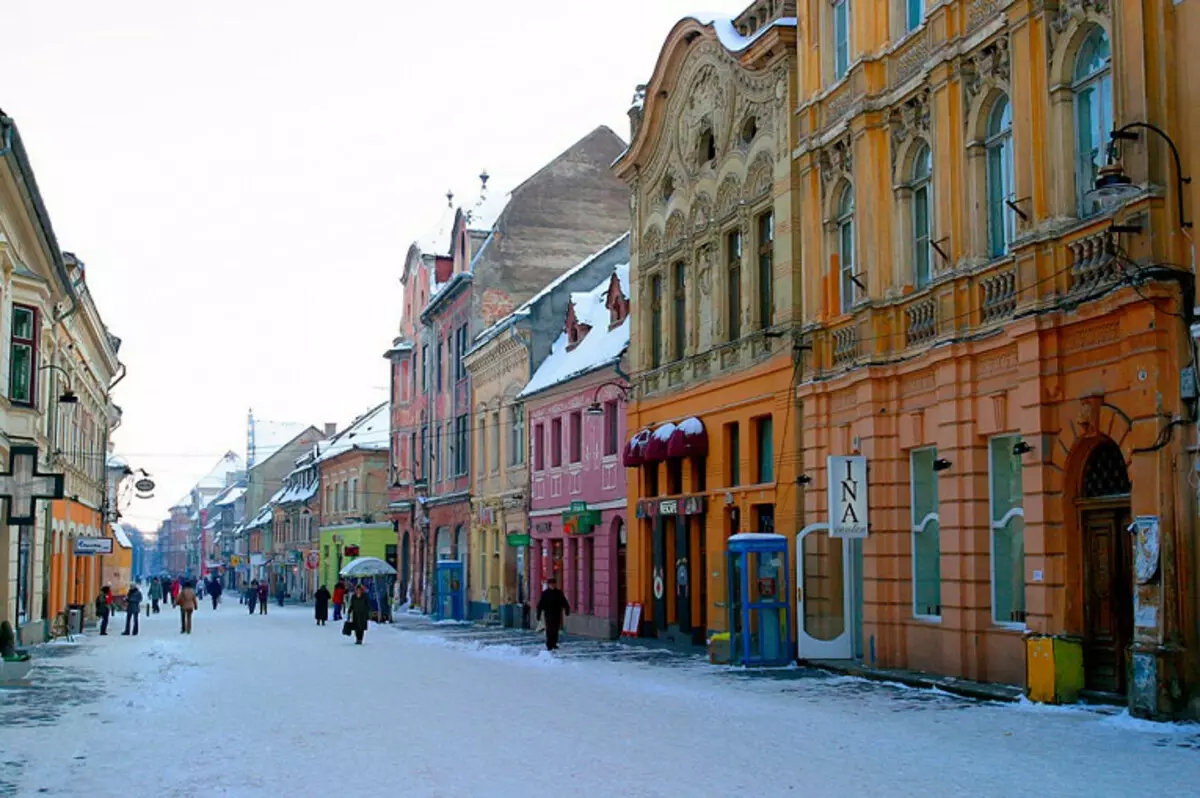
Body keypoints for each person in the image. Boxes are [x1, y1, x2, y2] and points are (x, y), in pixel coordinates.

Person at [536, 577, 571, 652]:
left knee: (556, 628)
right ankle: (549, 644)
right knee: (549, 629)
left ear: (555, 584)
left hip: (557, 613)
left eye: (553, 584)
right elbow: (540, 604)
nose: (552, 585)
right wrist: (538, 614)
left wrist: (567, 609)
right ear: (548, 585)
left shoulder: (559, 593)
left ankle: (554, 643)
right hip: (548, 613)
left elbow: (564, 601)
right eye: (550, 584)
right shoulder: (545, 593)